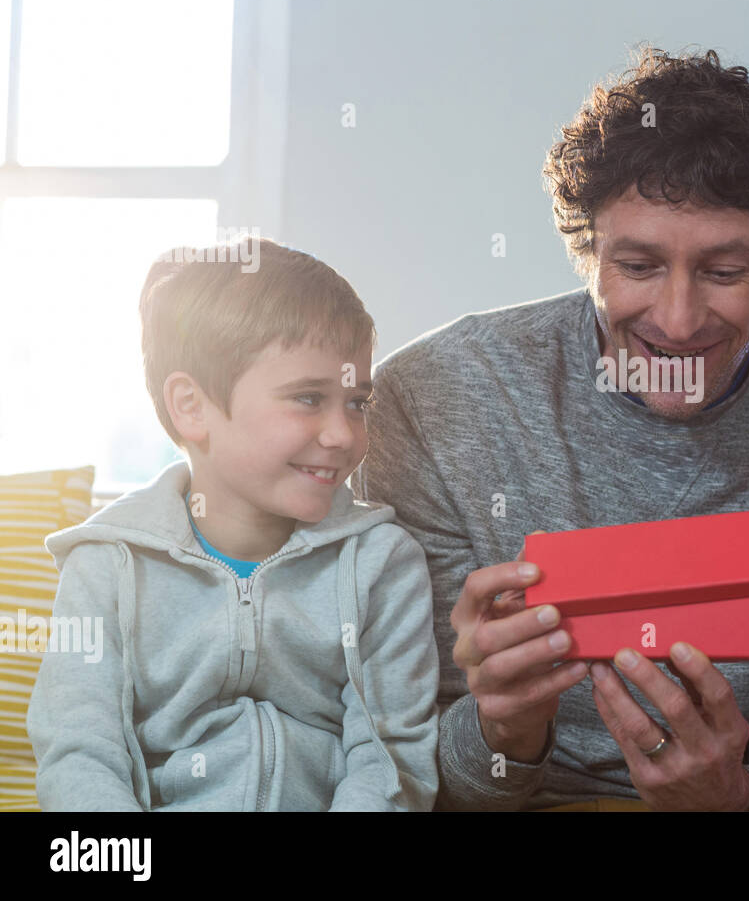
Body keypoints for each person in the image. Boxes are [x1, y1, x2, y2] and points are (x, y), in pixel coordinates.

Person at [351, 46, 749, 810]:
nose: (678, 322)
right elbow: (406, 768)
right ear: (586, 253)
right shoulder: (435, 399)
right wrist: (505, 733)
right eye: (639, 266)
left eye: (723, 272)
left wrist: (736, 799)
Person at [26, 237, 440, 811]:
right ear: (191, 408)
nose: (343, 435)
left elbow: (390, 755)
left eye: (356, 403)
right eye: (307, 398)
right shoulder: (106, 566)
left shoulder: (381, 564)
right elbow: (80, 754)